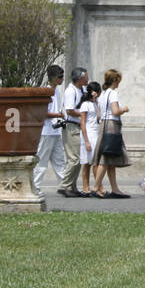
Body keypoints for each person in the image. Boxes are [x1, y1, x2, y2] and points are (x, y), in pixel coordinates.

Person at [92, 70, 131, 198]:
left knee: (110, 159)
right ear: (115, 80)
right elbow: (115, 111)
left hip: (103, 124)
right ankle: (96, 187)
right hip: (111, 126)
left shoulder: (103, 94)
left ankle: (115, 188)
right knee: (107, 158)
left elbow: (99, 114)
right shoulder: (113, 93)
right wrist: (124, 109)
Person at [32, 65, 67, 195]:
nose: (62, 79)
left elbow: (56, 110)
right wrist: (59, 115)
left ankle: (65, 185)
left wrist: (59, 115)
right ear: (53, 77)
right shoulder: (46, 92)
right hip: (46, 131)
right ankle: (35, 186)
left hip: (56, 131)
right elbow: (43, 113)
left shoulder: (57, 91)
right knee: (41, 161)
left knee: (59, 160)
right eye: (60, 77)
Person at [57, 68, 88, 198]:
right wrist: (83, 114)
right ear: (80, 78)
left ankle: (73, 187)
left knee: (78, 159)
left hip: (78, 126)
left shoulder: (82, 90)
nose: (87, 79)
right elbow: (69, 110)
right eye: (86, 77)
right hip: (71, 127)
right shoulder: (70, 91)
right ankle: (64, 186)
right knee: (74, 159)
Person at [78, 81, 102, 197]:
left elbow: (98, 117)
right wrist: (86, 140)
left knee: (95, 161)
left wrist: (96, 102)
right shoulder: (85, 104)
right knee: (87, 163)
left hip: (95, 133)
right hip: (87, 134)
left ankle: (97, 186)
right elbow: (82, 123)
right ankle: (86, 187)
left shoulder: (96, 104)